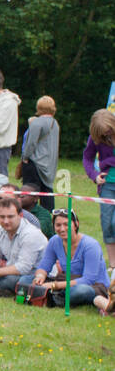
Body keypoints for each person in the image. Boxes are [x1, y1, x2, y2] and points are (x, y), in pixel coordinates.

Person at [28, 210, 111, 311]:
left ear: (76, 225)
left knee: (80, 291)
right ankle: (54, 296)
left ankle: (52, 297)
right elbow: (44, 266)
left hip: (92, 286)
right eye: (58, 225)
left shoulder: (90, 245)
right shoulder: (54, 241)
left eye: (66, 224)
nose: (62, 229)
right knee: (25, 280)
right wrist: (40, 277)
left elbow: (88, 279)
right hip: (65, 281)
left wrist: (54, 285)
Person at [0, 196, 48, 297]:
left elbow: (23, 268)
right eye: (2, 217)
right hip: (11, 269)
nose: (6, 221)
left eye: (10, 217)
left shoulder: (30, 234)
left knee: (13, 280)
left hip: (34, 274)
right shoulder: (0, 230)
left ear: (20, 215)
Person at [82, 108, 115, 270]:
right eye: (103, 134)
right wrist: (94, 175)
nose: (106, 136)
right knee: (107, 223)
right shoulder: (95, 139)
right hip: (107, 184)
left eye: (108, 132)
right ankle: (113, 264)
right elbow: (87, 158)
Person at [20, 96, 59, 210]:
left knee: (30, 193)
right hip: (49, 164)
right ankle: (48, 217)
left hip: (35, 163)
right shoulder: (55, 123)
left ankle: (30, 216)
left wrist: (25, 157)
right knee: (47, 193)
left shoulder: (37, 122)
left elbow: (30, 143)